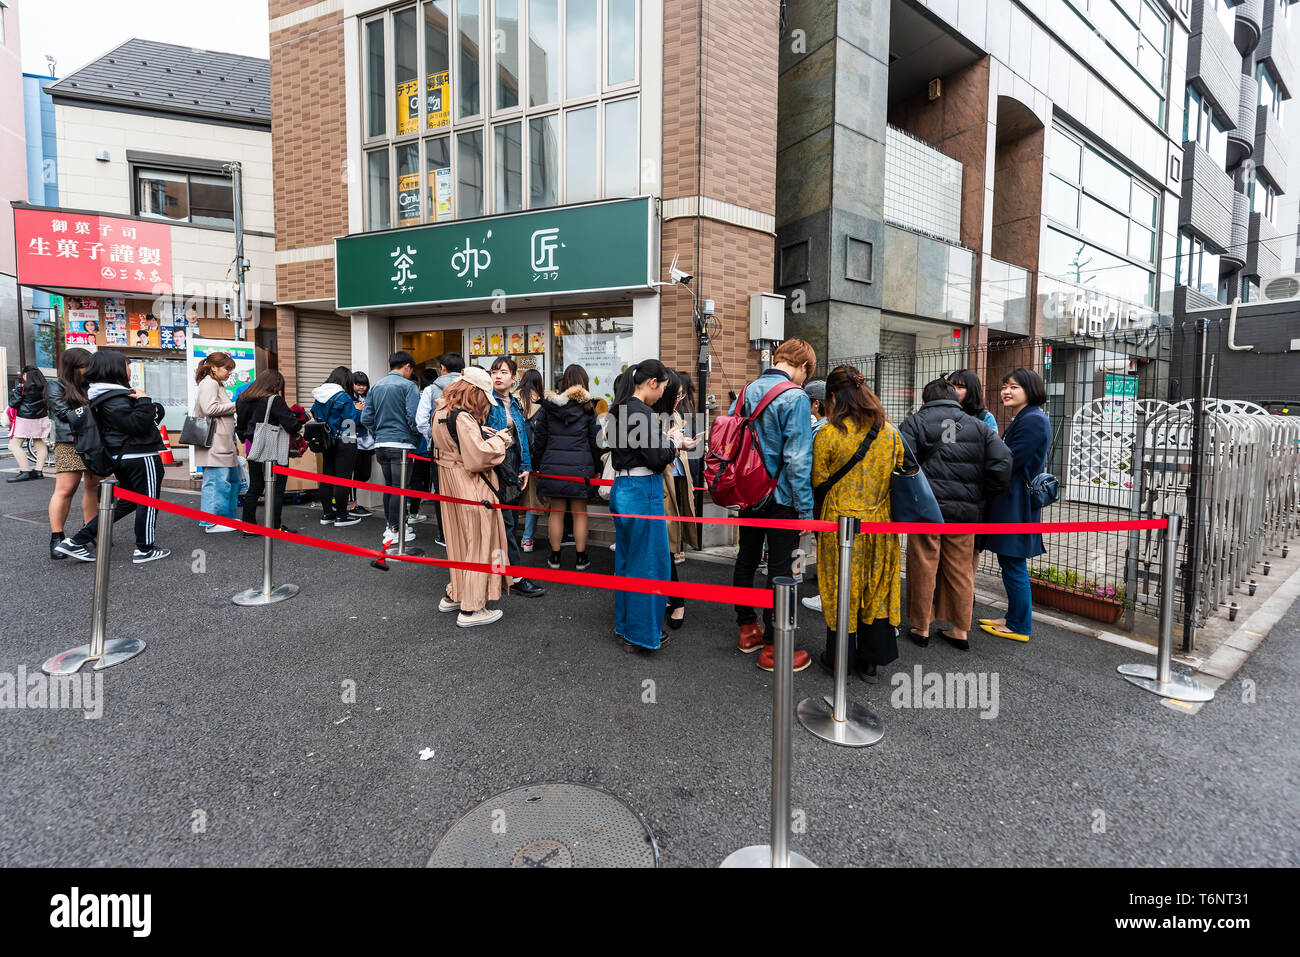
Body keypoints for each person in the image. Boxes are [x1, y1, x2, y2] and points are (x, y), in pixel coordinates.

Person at [900, 379, 1012, 651]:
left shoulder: (915, 422)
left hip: (926, 511)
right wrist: (980, 492)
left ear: (925, 400)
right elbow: (1003, 463)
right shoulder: (980, 426)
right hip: (965, 513)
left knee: (923, 566)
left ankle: (921, 627)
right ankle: (960, 630)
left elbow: (902, 460)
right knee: (961, 571)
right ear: (956, 399)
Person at [811, 365, 904, 679]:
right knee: (875, 587)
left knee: (841, 587)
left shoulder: (828, 432)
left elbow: (818, 479)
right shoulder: (890, 432)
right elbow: (901, 472)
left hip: (840, 524)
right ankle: (871, 660)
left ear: (833, 396)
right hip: (880, 524)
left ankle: (840, 658)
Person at [732, 338, 817, 673]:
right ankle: (774, 648)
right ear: (802, 366)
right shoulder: (795, 397)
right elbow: (797, 459)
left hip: (750, 493)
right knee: (783, 570)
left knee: (747, 558)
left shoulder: (746, 391)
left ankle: (747, 629)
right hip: (782, 499)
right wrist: (806, 510)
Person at [54, 350, 170, 564]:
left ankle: (76, 541)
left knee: (127, 502)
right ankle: (145, 549)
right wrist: (145, 400)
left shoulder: (101, 394)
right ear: (115, 368)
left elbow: (135, 420)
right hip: (140, 455)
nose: (129, 369)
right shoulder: (115, 397)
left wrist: (151, 407)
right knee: (148, 501)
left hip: (123, 456)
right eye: (127, 364)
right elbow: (136, 424)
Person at [606, 360, 680, 652]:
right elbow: (656, 458)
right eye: (662, 386)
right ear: (652, 383)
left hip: (621, 488)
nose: (663, 393)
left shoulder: (617, 409)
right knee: (650, 565)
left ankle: (625, 628)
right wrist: (674, 443)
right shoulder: (642, 413)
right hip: (642, 491)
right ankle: (643, 635)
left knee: (626, 562)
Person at [432, 369, 513, 627]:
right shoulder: (463, 417)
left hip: (449, 484)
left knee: (459, 544)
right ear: (475, 393)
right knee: (479, 544)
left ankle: (456, 594)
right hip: (471, 486)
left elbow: (454, 445)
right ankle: (473, 608)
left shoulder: (441, 411)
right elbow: (477, 457)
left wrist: (477, 431)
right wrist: (500, 440)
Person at [979, 368, 1052, 643]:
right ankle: (1013, 617)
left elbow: (1009, 460)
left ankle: (1020, 625)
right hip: (1012, 501)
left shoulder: (1033, 420)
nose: (1006, 391)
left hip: (1017, 504)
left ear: (1029, 390)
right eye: (1004, 386)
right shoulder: (1027, 417)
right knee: (1009, 560)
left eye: (1014, 387)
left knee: (1013, 562)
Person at [533, 364, 601, 571]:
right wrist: (597, 467)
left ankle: (555, 557)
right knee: (580, 513)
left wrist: (537, 465)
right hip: (581, 468)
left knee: (556, 512)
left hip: (553, 467)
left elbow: (540, 439)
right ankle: (581, 558)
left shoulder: (548, 407)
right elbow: (596, 441)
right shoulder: (589, 408)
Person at [487, 356, 544, 597]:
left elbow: (523, 440)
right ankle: (511, 575)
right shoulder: (485, 402)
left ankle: (506, 572)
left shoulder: (517, 405)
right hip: (491, 469)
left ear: (513, 378)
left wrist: (526, 467)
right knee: (500, 524)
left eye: (503, 371)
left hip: (511, 470)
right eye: (494, 371)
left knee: (508, 524)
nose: (498, 376)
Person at [361, 351, 421, 548]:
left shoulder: (376, 386)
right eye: (410, 369)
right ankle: (395, 530)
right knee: (400, 487)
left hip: (381, 445)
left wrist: (378, 434)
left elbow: (365, 419)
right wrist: (416, 435)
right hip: (402, 444)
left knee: (390, 486)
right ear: (406, 366)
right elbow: (414, 417)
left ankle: (392, 526)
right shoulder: (408, 386)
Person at [45, 348, 101, 560]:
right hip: (69, 442)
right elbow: (63, 413)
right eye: (85, 366)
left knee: (92, 487)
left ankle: (90, 531)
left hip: (94, 441)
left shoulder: (91, 385)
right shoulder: (55, 385)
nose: (88, 370)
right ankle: (57, 537)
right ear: (73, 367)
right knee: (66, 489)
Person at [656, 369, 700, 628]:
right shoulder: (649, 416)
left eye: (681, 395)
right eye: (676, 394)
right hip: (664, 483)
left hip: (679, 481)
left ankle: (674, 600)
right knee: (665, 546)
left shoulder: (674, 415)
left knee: (669, 545)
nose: (678, 399)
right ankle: (677, 600)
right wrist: (673, 442)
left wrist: (682, 444)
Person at [237, 370, 302, 533]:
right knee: (277, 488)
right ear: (275, 384)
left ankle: (248, 526)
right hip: (272, 449)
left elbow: (241, 427)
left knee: (255, 487)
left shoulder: (243, 399)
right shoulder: (274, 400)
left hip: (252, 447)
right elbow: (292, 425)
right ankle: (274, 526)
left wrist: (248, 438)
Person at [416, 352, 467, 547]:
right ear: (462, 370)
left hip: (439, 450)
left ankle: (445, 535)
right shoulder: (470, 389)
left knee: (442, 492)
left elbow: (420, 421)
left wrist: (433, 436)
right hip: (466, 449)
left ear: (443, 369)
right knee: (465, 491)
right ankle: (464, 533)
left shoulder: (431, 389)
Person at [193, 351, 240, 533]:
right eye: (227, 368)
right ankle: (211, 522)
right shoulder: (210, 383)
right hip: (214, 442)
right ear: (214, 367)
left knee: (225, 481)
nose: (229, 373)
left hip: (220, 442)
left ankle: (225, 518)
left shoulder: (215, 383)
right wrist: (237, 404)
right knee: (216, 482)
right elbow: (209, 408)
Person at [311, 366, 363, 528]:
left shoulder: (319, 395)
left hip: (327, 440)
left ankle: (327, 513)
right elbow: (351, 421)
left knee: (327, 476)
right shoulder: (344, 397)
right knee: (343, 478)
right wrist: (359, 410)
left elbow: (315, 413)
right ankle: (341, 515)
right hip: (345, 440)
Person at [515, 368, 546, 552]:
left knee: (510, 498)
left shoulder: (510, 401)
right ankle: (527, 540)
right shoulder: (541, 406)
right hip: (533, 459)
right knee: (532, 501)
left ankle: (508, 536)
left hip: (511, 458)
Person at [406, 367, 439, 526]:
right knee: (425, 480)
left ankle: (410, 512)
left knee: (413, 479)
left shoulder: (414, 396)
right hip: (427, 446)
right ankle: (414, 512)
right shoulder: (432, 394)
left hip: (414, 445)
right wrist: (430, 438)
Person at [7, 365, 50, 482]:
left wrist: (17, 391)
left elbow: (13, 403)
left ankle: (25, 471)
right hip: (41, 418)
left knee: (14, 445)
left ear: (26, 375)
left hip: (25, 419)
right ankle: (38, 471)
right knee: (39, 443)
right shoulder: (45, 387)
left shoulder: (23, 388)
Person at [348, 371, 373, 517]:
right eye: (358, 384)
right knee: (353, 474)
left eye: (363, 385)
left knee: (364, 474)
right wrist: (357, 410)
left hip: (368, 442)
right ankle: (352, 505)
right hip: (354, 440)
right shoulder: (348, 399)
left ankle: (340, 497)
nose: (361, 387)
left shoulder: (369, 397)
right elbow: (348, 421)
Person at [948, 369, 999, 434]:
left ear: (971, 390)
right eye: (951, 387)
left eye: (960, 387)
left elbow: (992, 443)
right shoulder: (942, 412)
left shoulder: (985, 417)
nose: (954, 391)